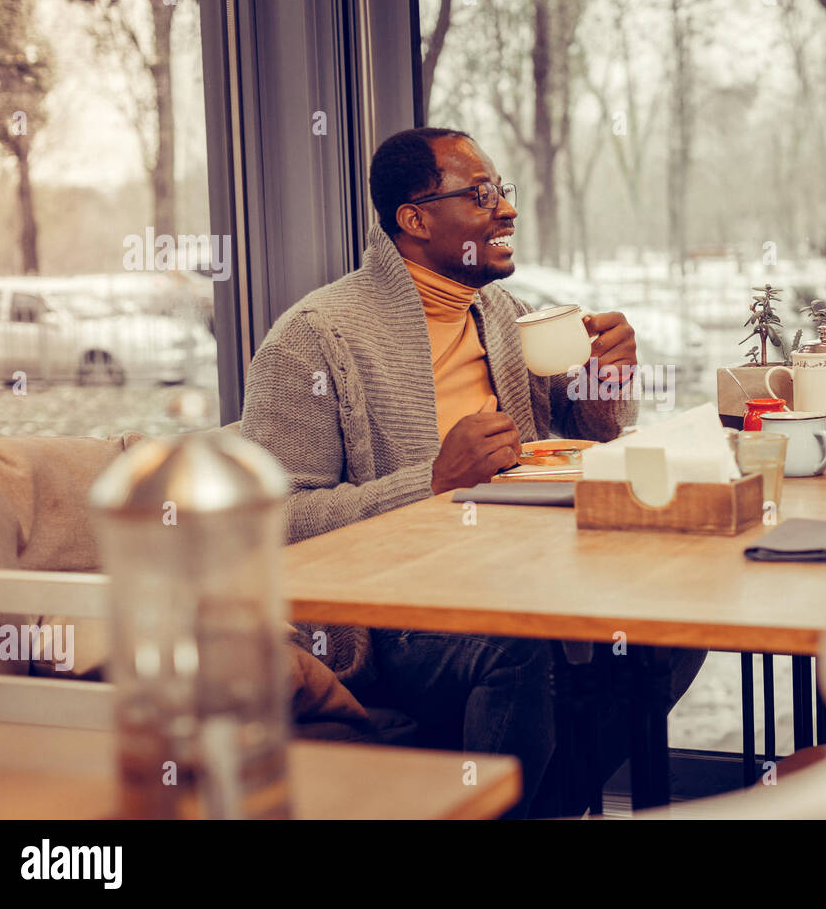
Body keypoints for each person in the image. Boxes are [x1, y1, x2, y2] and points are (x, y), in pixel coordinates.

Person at [241, 126, 706, 816]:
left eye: (502, 191)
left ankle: (543, 806)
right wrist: (430, 482)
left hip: (524, 566)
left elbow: (581, 434)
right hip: (393, 615)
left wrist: (604, 387)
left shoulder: (499, 313)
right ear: (416, 218)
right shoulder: (314, 336)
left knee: (680, 620)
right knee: (516, 642)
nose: (506, 209)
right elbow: (271, 522)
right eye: (481, 194)